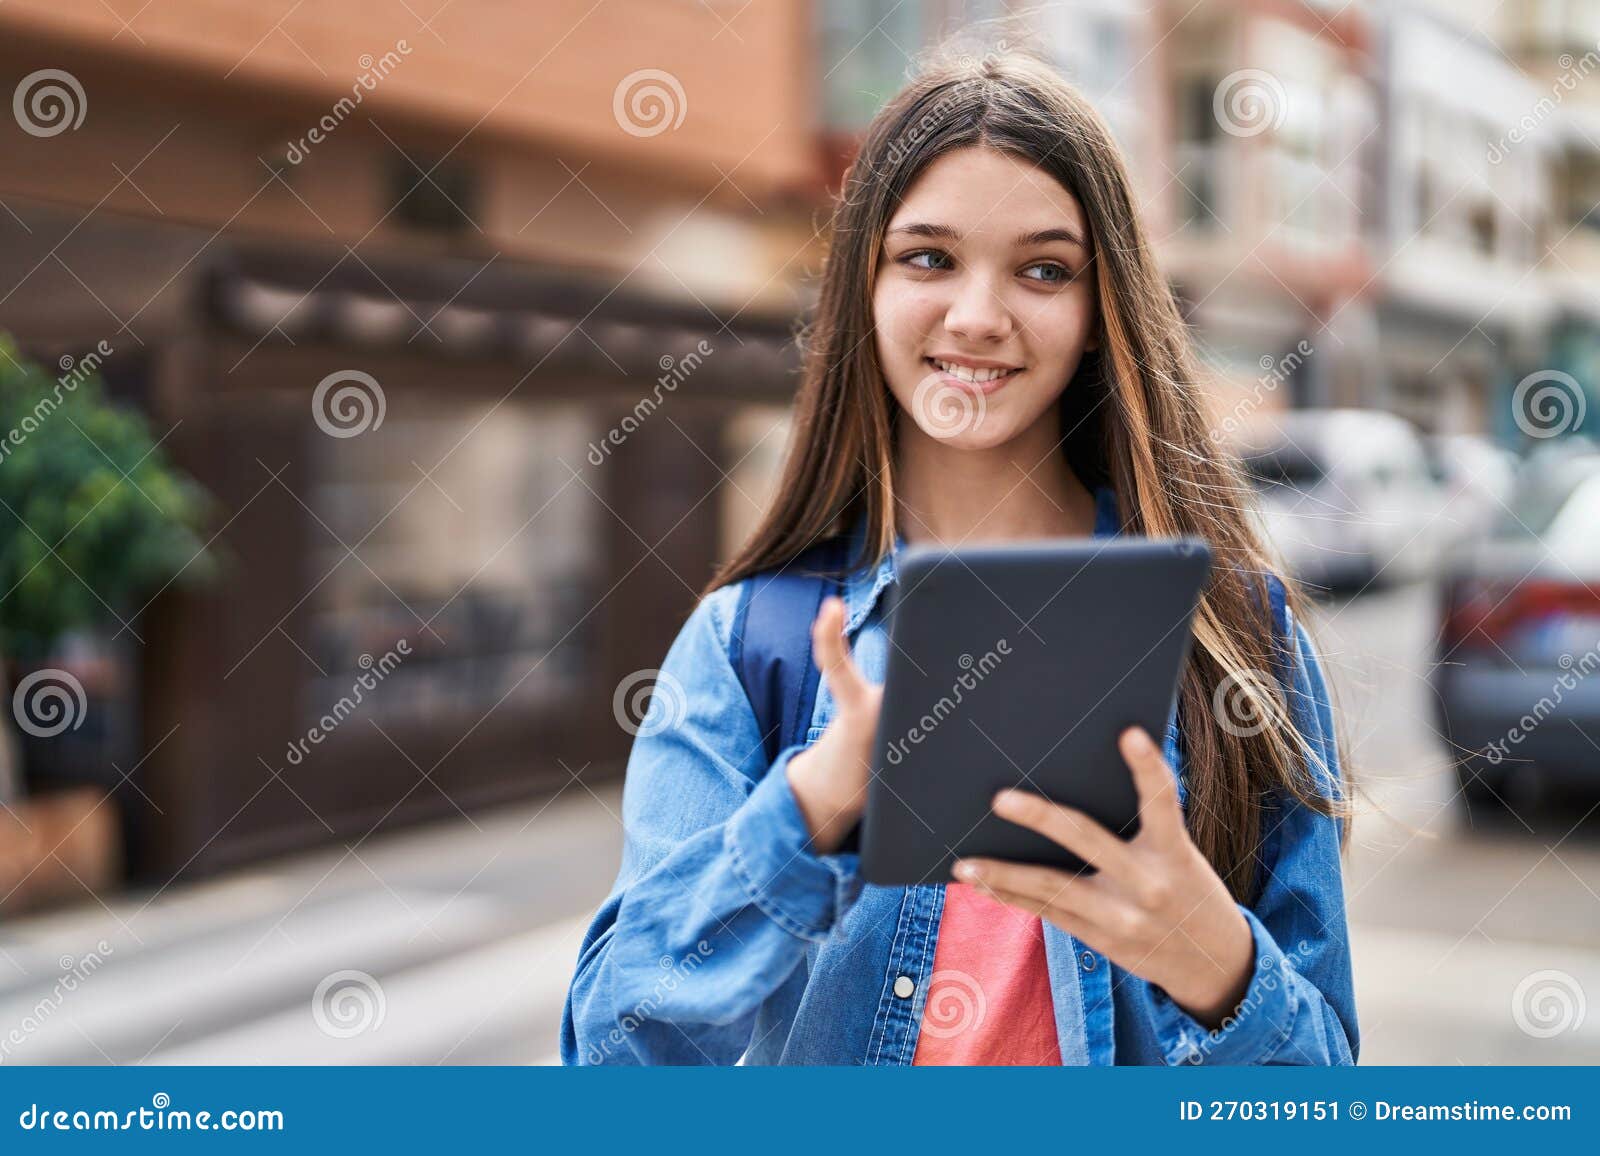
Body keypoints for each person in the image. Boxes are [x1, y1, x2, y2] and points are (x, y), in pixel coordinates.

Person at [561, 46, 1357, 1066]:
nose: (979, 317)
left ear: (1096, 307)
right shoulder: (751, 645)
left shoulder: (1234, 640)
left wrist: (1208, 958)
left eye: (1042, 268)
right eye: (928, 257)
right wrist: (810, 812)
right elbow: (615, 1060)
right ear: (865, 288)